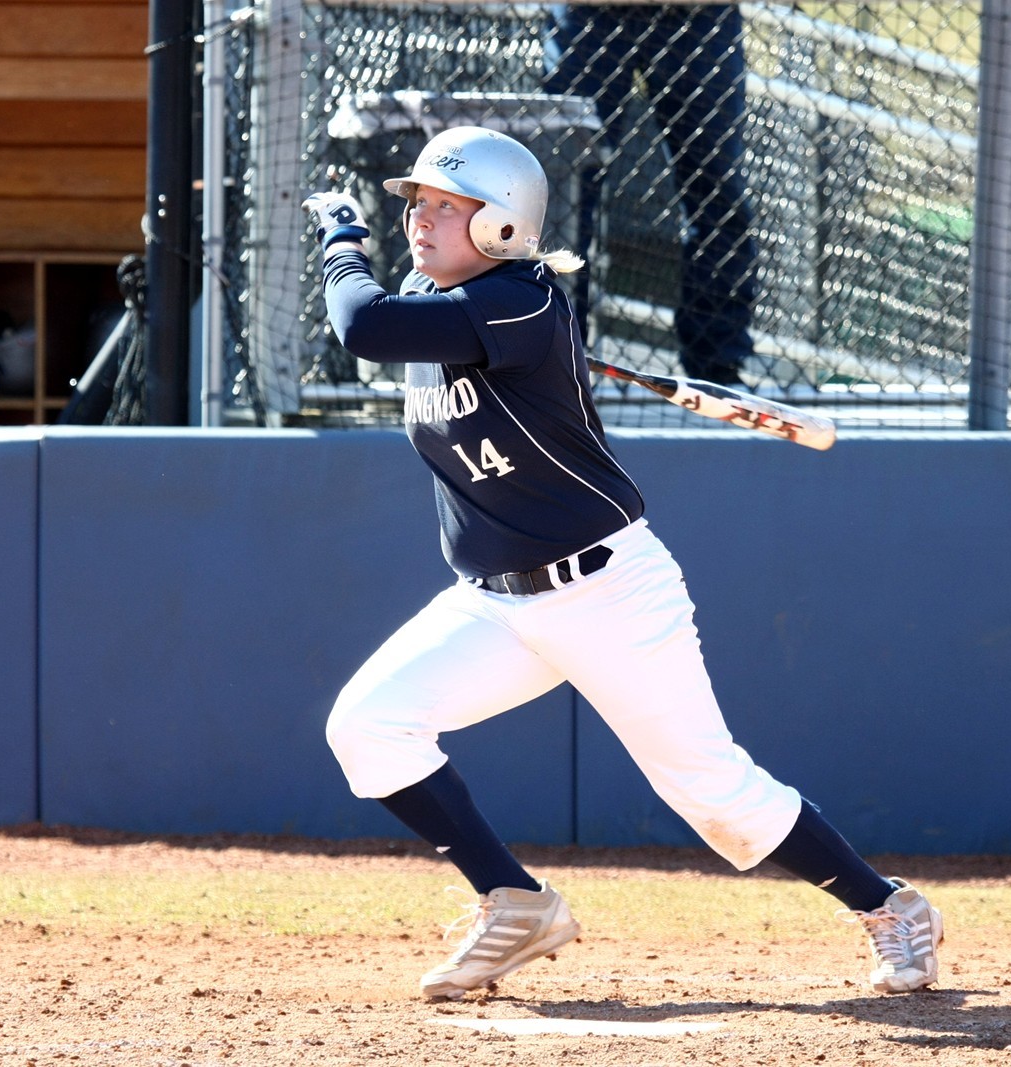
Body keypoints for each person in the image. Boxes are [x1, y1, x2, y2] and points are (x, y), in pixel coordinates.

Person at [302, 127, 942, 1002]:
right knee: (368, 724)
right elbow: (397, 318)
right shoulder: (441, 296)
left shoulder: (520, 303)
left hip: (605, 591)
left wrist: (342, 238)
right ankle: (514, 900)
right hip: (493, 603)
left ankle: (890, 907)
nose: (421, 218)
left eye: (448, 205)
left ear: (502, 226)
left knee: (712, 791)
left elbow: (362, 325)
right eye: (418, 201)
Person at [544, 4, 759, 385]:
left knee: (717, 186)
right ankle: (551, 356)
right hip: (590, 13)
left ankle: (720, 369)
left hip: (698, 14)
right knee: (566, 189)